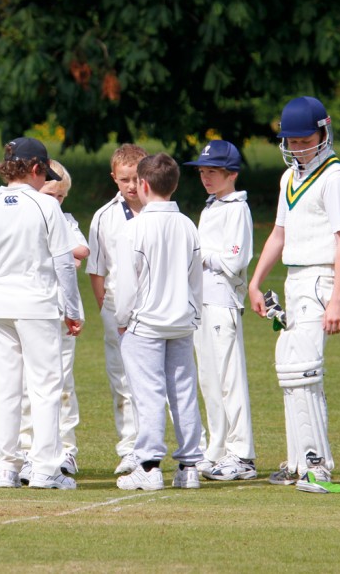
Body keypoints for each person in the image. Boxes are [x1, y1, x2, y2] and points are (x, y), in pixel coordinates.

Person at [0, 138, 83, 490]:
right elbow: (63, 261)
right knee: (45, 387)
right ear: (34, 168)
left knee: (5, 388)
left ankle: (7, 468)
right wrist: (73, 310)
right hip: (38, 306)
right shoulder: (46, 207)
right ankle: (45, 469)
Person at [247, 96, 340, 494]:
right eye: (290, 141)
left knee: (305, 369)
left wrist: (337, 298)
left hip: (320, 278)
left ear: (323, 133)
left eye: (304, 138)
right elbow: (279, 233)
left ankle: (317, 466)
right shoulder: (289, 178)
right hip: (294, 278)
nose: (297, 147)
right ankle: (297, 461)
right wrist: (256, 281)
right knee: (290, 370)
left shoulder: (335, 176)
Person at [113, 153, 205, 491]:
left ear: (143, 185)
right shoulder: (188, 225)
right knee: (183, 392)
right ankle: (189, 465)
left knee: (148, 393)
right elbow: (196, 278)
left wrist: (122, 319)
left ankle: (149, 465)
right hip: (181, 320)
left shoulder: (133, 229)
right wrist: (193, 313)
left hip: (145, 324)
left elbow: (126, 285)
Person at [183, 140, 257, 480]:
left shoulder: (236, 208)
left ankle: (242, 455)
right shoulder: (211, 207)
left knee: (230, 379)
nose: (206, 178)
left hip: (224, 300)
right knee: (208, 379)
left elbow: (236, 259)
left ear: (232, 174)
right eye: (202, 172)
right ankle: (218, 448)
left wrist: (204, 253)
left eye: (212, 172)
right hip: (202, 300)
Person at [19, 160, 89, 482]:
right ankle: (28, 451)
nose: (55, 202)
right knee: (24, 384)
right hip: (31, 309)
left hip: (60, 314)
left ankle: (66, 450)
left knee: (62, 384)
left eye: (61, 197)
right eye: (50, 193)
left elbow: (81, 250)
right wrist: (60, 255)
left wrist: (60, 251)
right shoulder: (25, 218)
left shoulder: (65, 220)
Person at [86, 143, 147, 474]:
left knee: (165, 379)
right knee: (122, 380)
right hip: (117, 311)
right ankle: (130, 447)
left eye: (137, 178)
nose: (132, 186)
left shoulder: (162, 209)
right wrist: (107, 311)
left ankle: (180, 447)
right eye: (125, 180)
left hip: (156, 309)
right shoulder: (104, 217)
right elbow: (97, 272)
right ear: (114, 178)